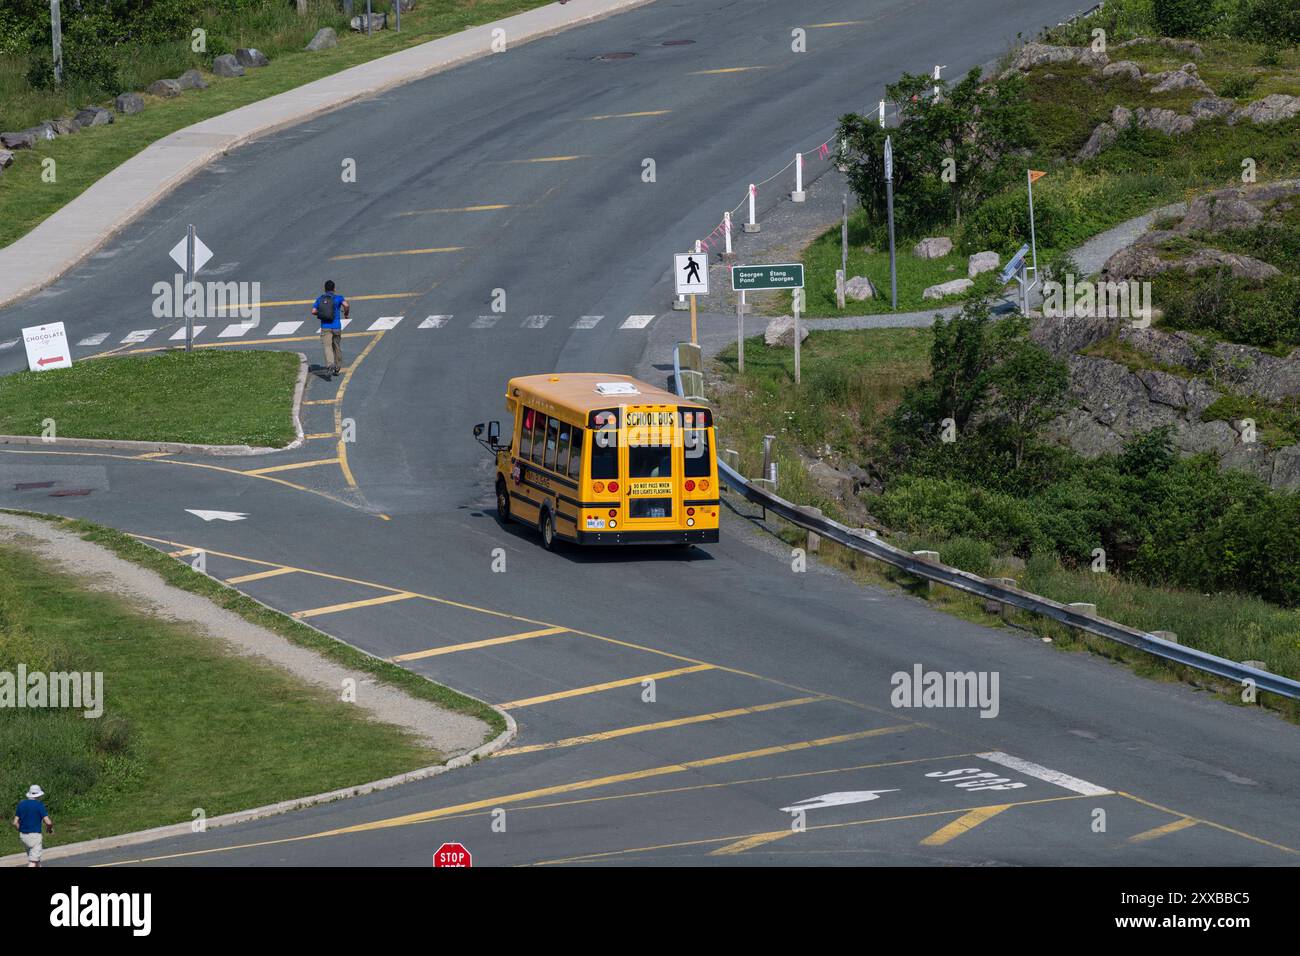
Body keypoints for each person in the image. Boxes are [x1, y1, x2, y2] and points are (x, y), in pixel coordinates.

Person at [311, 280, 350, 379]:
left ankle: (330, 364)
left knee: (327, 346)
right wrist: (346, 313)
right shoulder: (338, 298)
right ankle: (337, 368)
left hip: (325, 327)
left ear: (325, 289)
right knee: (336, 346)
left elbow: (313, 311)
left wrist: (321, 313)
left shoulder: (320, 298)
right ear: (334, 288)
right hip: (336, 326)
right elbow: (346, 305)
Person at [13, 785, 52, 868]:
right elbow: (48, 822)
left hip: (23, 836)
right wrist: (49, 828)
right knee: (33, 862)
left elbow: (15, 822)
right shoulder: (39, 805)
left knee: (36, 860)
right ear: (39, 795)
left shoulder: (21, 804)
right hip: (35, 836)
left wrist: (21, 829)